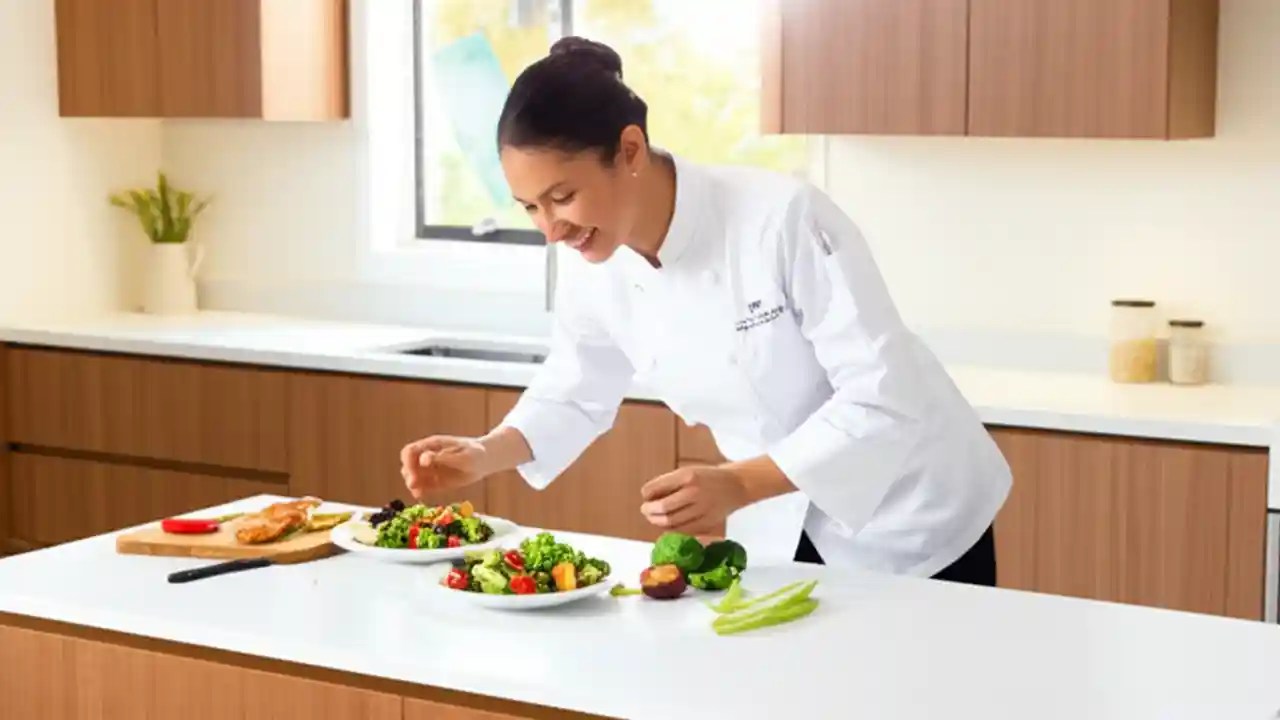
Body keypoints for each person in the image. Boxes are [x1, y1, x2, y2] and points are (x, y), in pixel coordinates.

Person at [401, 37, 1011, 585]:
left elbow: (882, 396)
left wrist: (738, 483)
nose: (551, 230)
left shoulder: (779, 218)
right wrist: (484, 453)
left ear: (630, 149)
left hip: (912, 513)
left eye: (562, 197)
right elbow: (573, 390)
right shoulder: (597, 259)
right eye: (530, 207)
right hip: (776, 518)